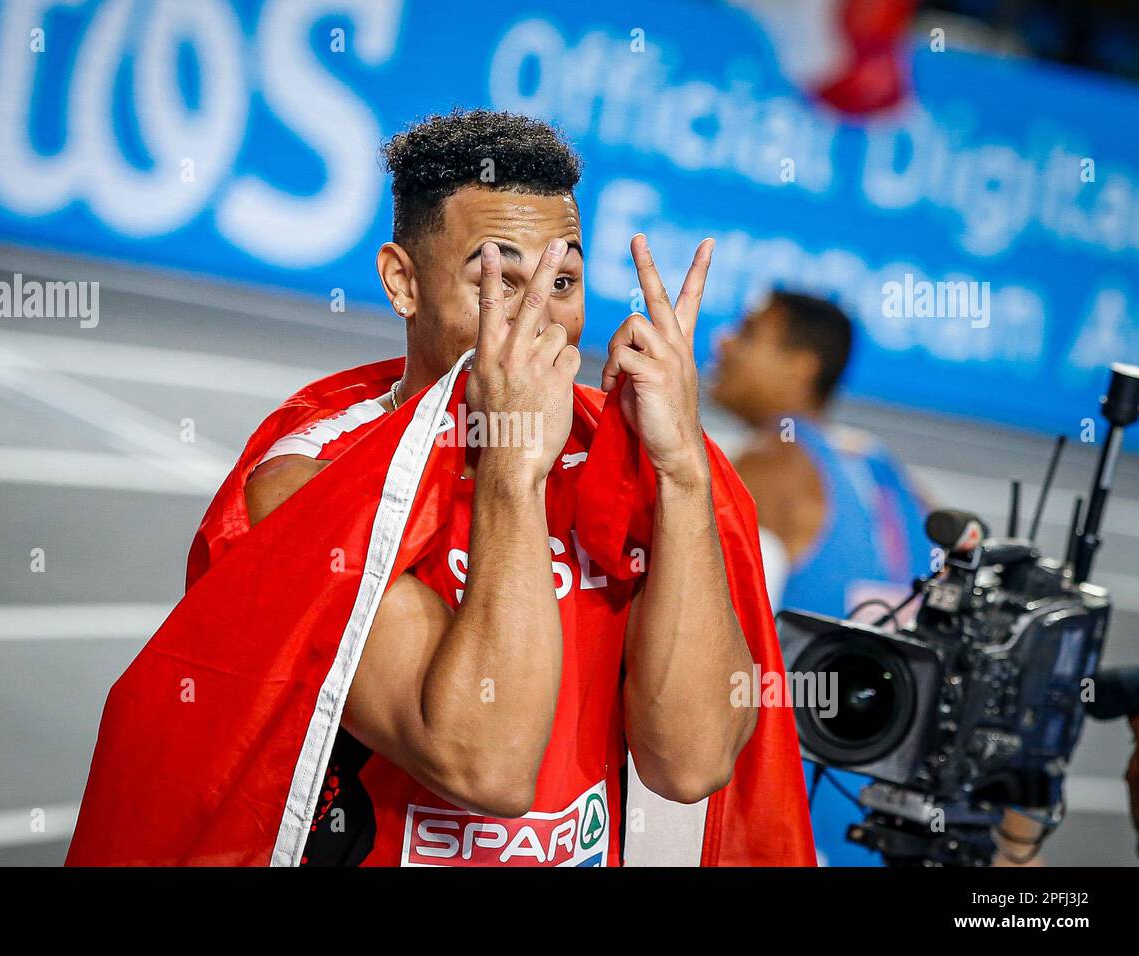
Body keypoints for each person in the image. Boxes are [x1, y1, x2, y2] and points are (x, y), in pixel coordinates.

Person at [66, 109, 815, 867]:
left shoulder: (630, 464)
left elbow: (693, 762)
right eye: (496, 279)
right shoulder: (311, 486)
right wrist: (514, 469)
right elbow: (484, 763)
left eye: (563, 281)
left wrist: (683, 471)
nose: (540, 321)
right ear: (403, 282)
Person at [709, 291, 933, 866]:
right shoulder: (883, 468)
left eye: (749, 332)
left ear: (800, 365)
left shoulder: (768, 467)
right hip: (884, 819)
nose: (722, 342)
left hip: (792, 827)